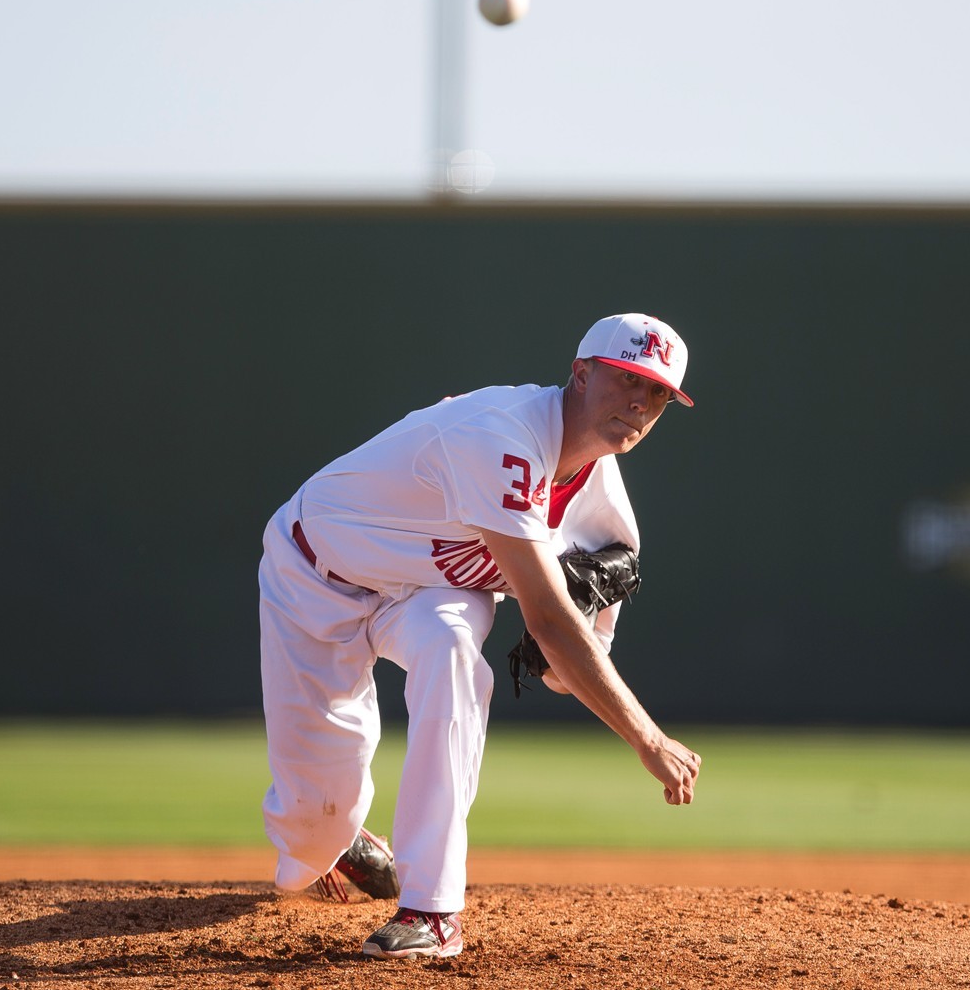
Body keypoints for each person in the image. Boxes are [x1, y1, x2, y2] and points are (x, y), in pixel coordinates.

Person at [257, 312, 703, 960]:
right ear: (580, 374)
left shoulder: (605, 509)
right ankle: (334, 844)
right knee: (310, 833)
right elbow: (550, 625)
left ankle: (431, 910)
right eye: (627, 378)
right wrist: (648, 736)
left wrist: (565, 650)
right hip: (315, 570)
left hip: (433, 591)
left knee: (455, 658)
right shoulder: (502, 436)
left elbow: (566, 658)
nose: (641, 402)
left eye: (660, 393)